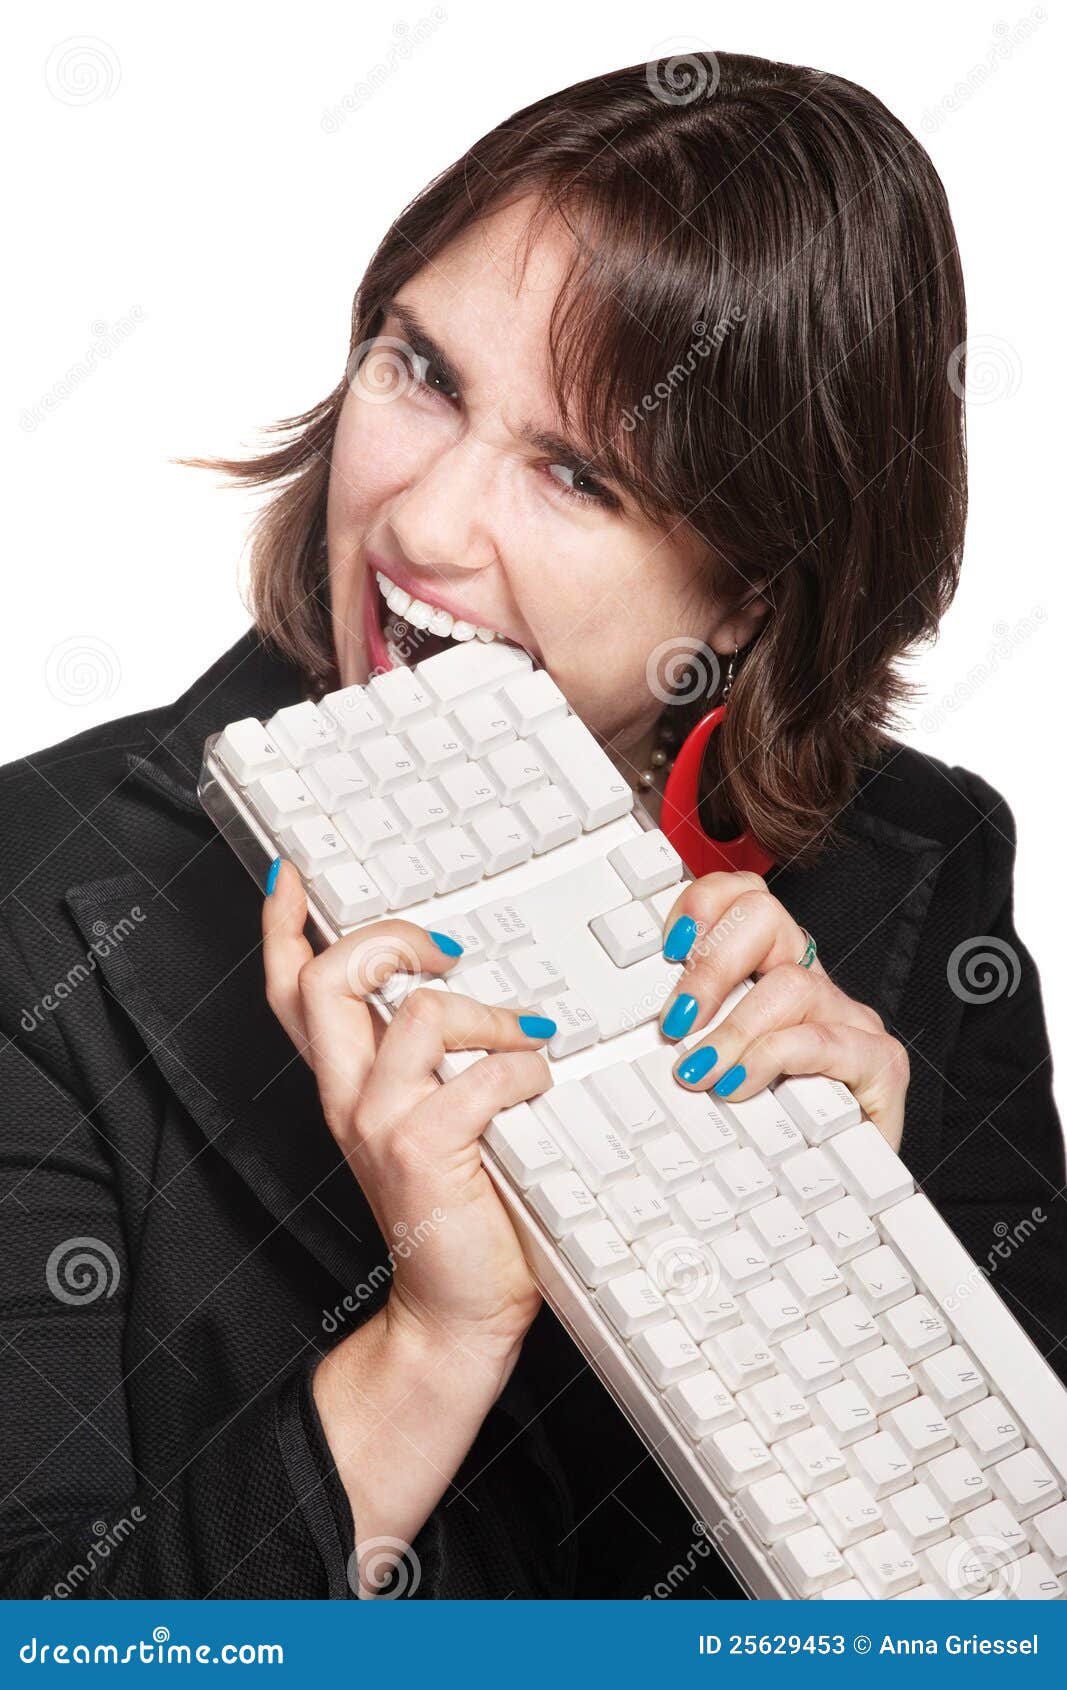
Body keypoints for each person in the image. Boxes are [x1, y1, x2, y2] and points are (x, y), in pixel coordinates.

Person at [1, 51, 1063, 1602]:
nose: (421, 522)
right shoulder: (38, 902)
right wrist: (429, 1344)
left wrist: (844, 1268)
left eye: (577, 474)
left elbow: (1012, 1617)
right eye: (421, 372)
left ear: (754, 594)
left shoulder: (917, 873)